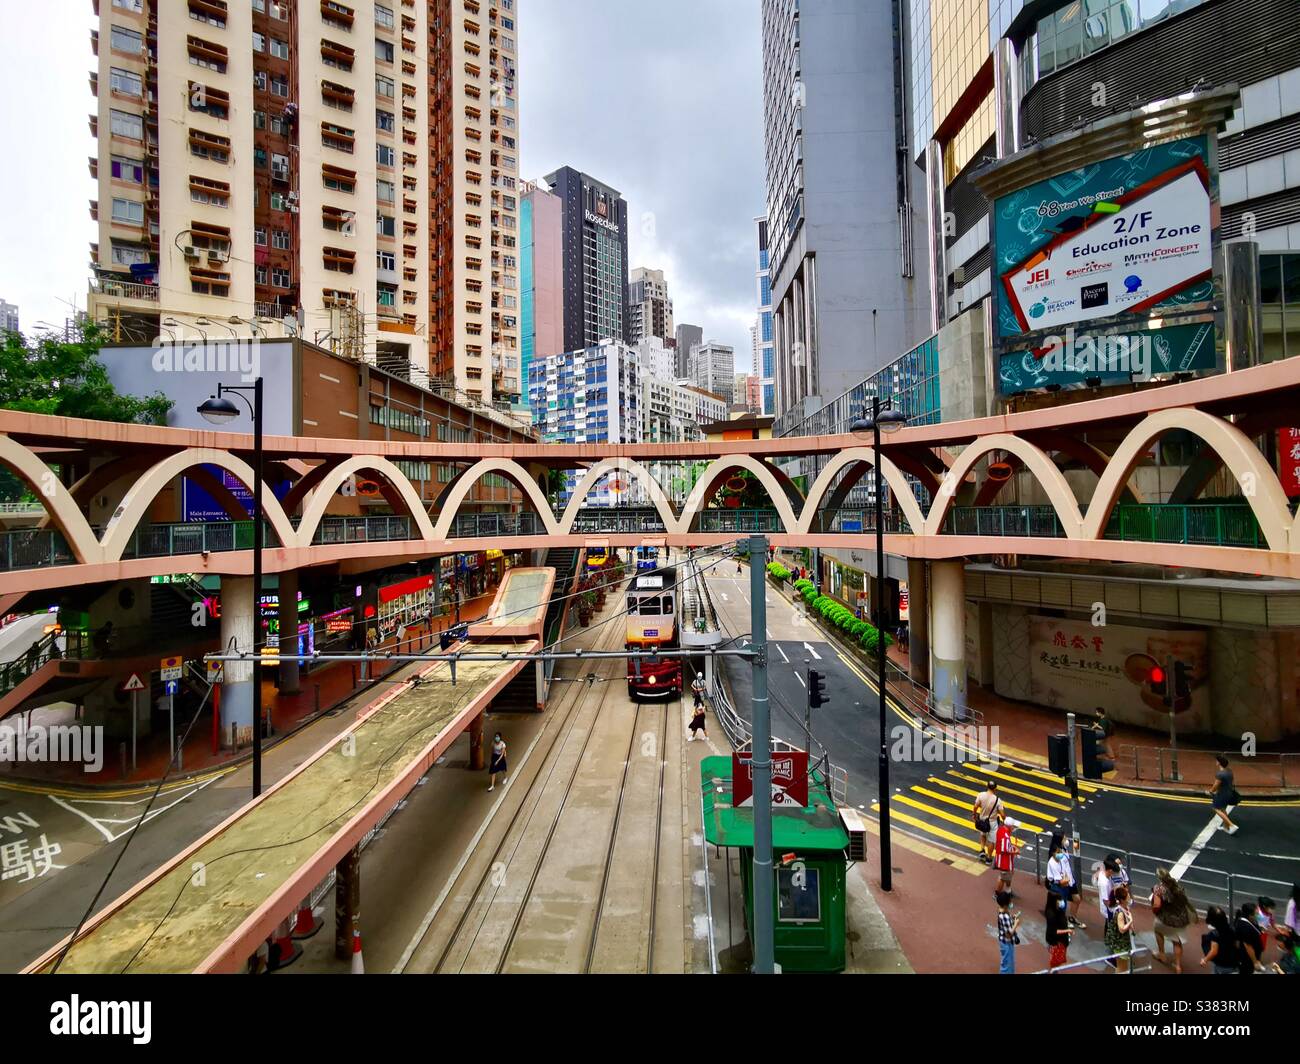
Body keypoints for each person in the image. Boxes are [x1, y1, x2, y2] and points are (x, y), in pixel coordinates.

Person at [1150, 867, 1195, 973]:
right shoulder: (1177, 886)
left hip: (1166, 919)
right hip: (1181, 919)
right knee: (1177, 942)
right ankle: (1178, 965)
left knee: (1157, 930)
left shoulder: (1159, 889)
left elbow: (1157, 905)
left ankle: (1161, 954)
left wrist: (1153, 909)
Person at [1201, 906, 1240, 974]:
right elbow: (1237, 945)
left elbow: (1214, 951)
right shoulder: (1232, 929)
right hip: (1233, 962)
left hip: (1221, 964)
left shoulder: (1214, 934)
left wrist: (1205, 960)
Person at [972, 780, 1002, 865]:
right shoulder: (997, 800)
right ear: (995, 789)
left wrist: (974, 815)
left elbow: (975, 807)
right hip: (992, 822)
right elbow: (1002, 814)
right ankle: (989, 858)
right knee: (992, 841)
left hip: (982, 820)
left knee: (983, 834)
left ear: (987, 786)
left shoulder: (981, 795)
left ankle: (982, 850)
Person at [1209, 754, 1240, 834]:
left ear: (1219, 763)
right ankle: (1226, 827)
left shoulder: (1220, 774)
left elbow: (1216, 785)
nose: (1216, 762)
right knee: (1223, 809)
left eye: (1217, 761)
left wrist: (1211, 791)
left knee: (1216, 808)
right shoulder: (1229, 771)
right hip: (1229, 793)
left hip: (1221, 794)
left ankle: (1231, 825)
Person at [991, 815, 1022, 895]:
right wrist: (1016, 852)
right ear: (1009, 826)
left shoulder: (1001, 830)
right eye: (1013, 826)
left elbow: (1005, 846)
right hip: (1005, 861)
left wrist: (1013, 847)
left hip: (1002, 858)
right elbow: (1005, 850)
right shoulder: (1005, 836)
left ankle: (1008, 890)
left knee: (1008, 875)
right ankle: (997, 894)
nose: (1013, 827)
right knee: (1003, 878)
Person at [1107, 885, 1135, 972]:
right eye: (1127, 895)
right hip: (1121, 945)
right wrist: (1131, 921)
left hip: (1123, 943)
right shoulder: (1120, 913)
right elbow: (1122, 929)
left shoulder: (1125, 908)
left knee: (1123, 967)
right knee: (1122, 968)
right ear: (1123, 900)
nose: (1129, 896)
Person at [1045, 893, 1074, 970]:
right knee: (1055, 963)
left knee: (1058, 962)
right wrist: (1067, 931)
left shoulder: (1058, 910)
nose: (1061, 901)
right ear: (1054, 901)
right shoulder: (1051, 914)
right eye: (1059, 900)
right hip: (1056, 942)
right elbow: (1054, 931)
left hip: (1061, 941)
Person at [1234, 902, 1264, 974]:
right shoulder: (1246, 927)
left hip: (1246, 955)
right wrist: (1255, 962)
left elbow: (1237, 941)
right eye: (1257, 913)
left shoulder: (1247, 920)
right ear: (1250, 915)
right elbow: (1248, 946)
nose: (1259, 915)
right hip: (1247, 958)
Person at [995, 890, 1020, 974]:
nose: (1011, 903)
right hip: (1006, 943)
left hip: (1006, 942)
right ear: (1006, 904)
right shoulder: (1004, 916)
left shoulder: (1003, 911)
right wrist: (1015, 924)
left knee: (1010, 962)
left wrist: (1012, 918)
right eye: (1010, 901)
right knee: (1006, 965)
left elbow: (1006, 923)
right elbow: (1008, 934)